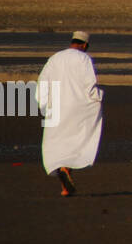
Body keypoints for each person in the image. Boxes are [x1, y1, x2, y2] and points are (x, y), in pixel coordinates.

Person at [37, 31, 104, 197]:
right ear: (85, 45)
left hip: (56, 107)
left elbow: (42, 84)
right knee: (76, 141)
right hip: (78, 108)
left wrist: (43, 105)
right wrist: (98, 98)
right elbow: (89, 85)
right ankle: (67, 172)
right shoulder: (84, 59)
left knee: (57, 144)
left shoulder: (55, 58)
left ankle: (65, 183)